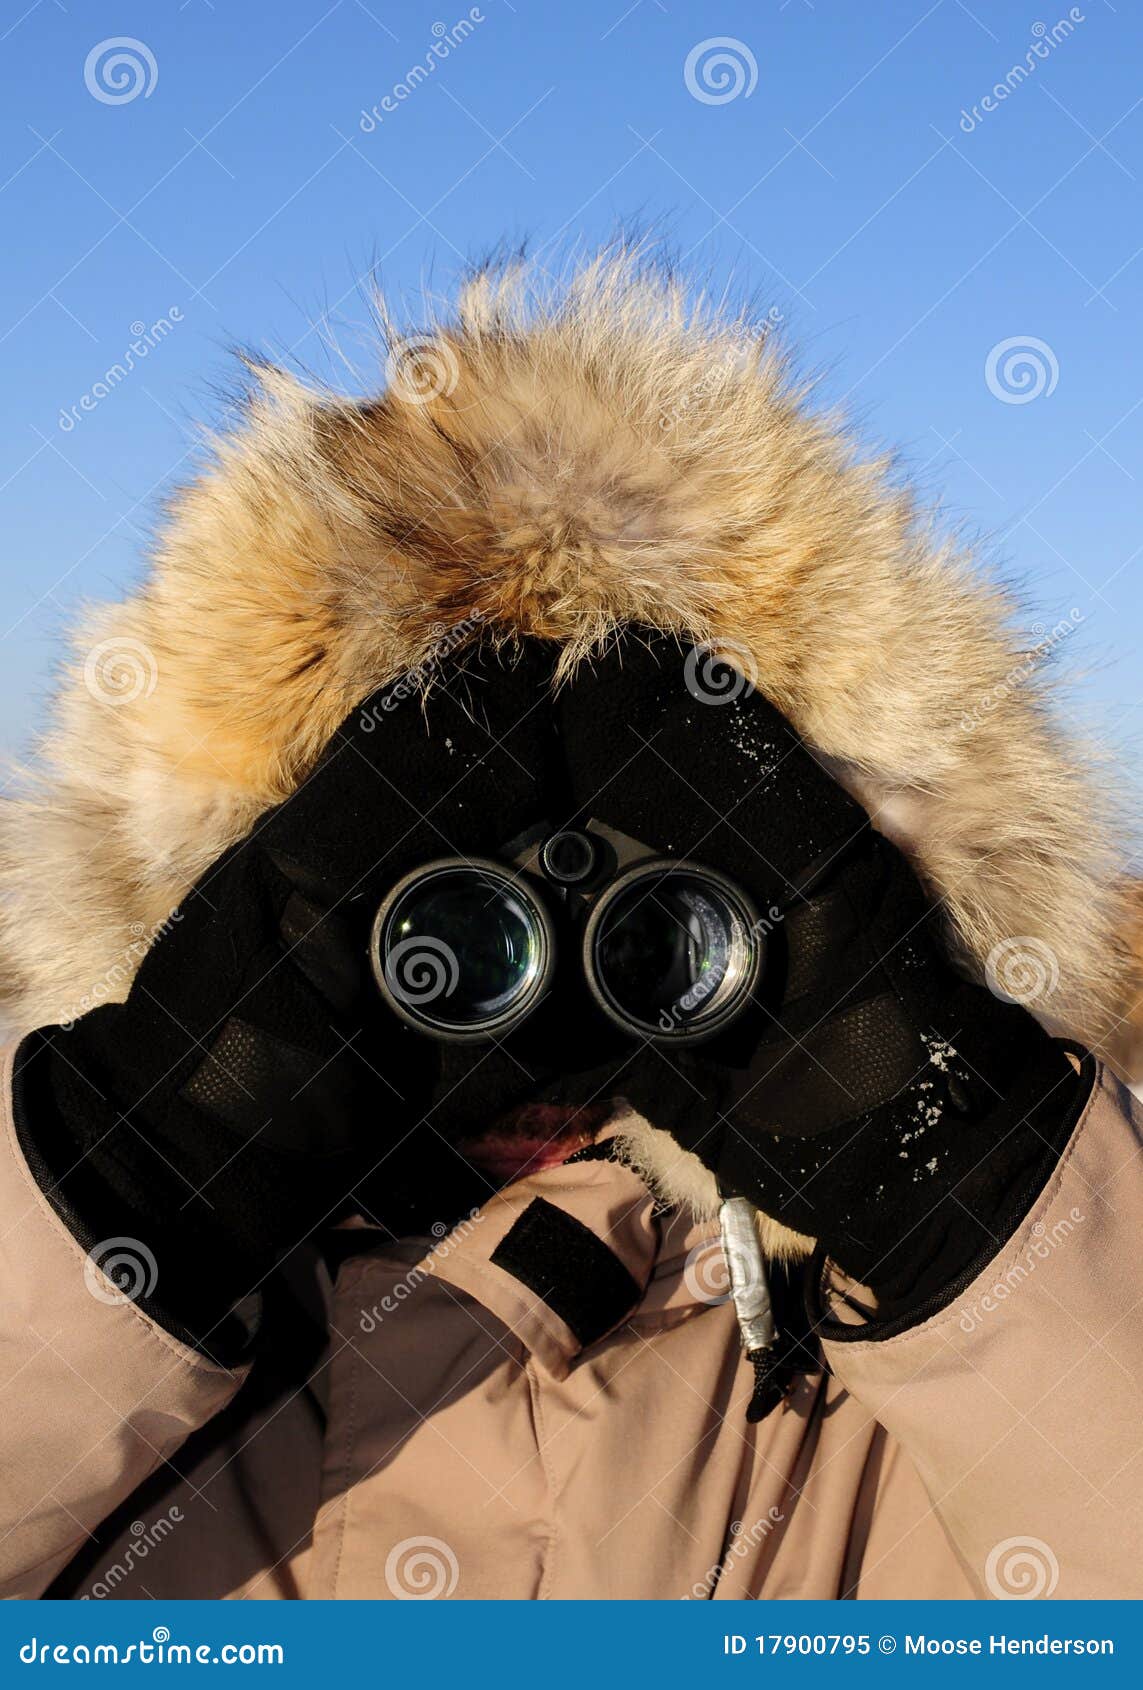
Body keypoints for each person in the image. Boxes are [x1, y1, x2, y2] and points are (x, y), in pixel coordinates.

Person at [1, 256, 1140, 1601]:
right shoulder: (161, 1269)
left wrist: (964, 1199)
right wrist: (131, 1185)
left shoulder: (906, 1329)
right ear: (249, 878)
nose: (542, 961)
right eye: (447, 899)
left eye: (647, 904)